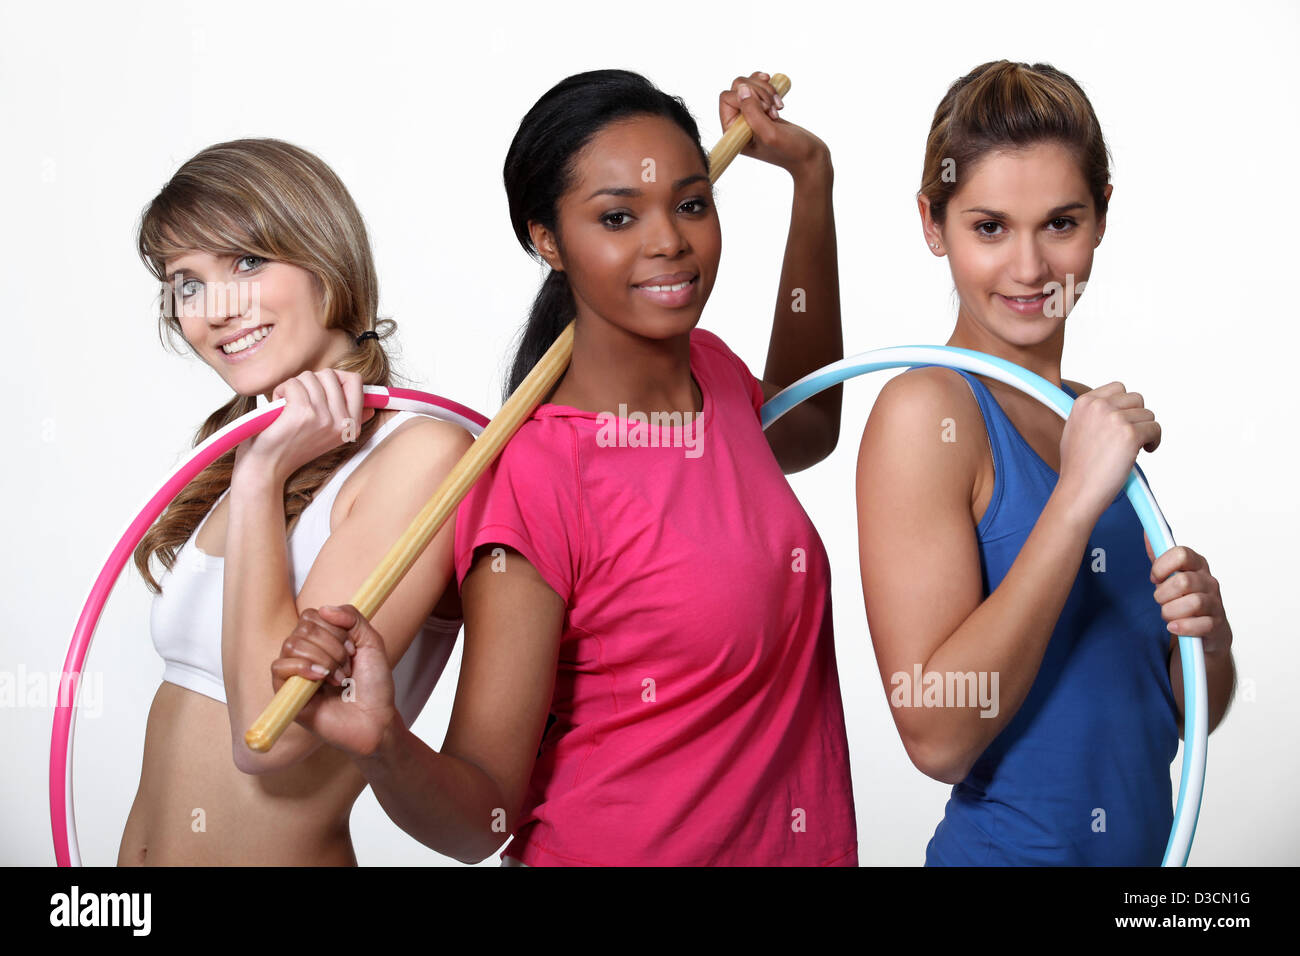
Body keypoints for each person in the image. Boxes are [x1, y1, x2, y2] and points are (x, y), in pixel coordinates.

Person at [271, 69, 858, 865]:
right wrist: (383, 744)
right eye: (618, 216)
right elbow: (483, 817)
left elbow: (812, 420)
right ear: (546, 240)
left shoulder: (714, 376)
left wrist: (810, 178)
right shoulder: (538, 478)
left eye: (691, 203)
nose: (669, 242)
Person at [855, 61, 1236, 865]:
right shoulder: (929, 412)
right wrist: (1072, 503)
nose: (1030, 270)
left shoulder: (1088, 414)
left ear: (1100, 220)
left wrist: (1207, 640)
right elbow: (936, 735)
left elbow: (1179, 715)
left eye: (1060, 223)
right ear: (933, 224)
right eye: (989, 227)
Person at [118, 138, 473, 865]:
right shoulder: (252, 453)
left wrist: (259, 480)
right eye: (187, 283)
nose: (213, 310)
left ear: (324, 257)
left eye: (247, 261)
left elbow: (269, 734)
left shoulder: (421, 456)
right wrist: (256, 470)